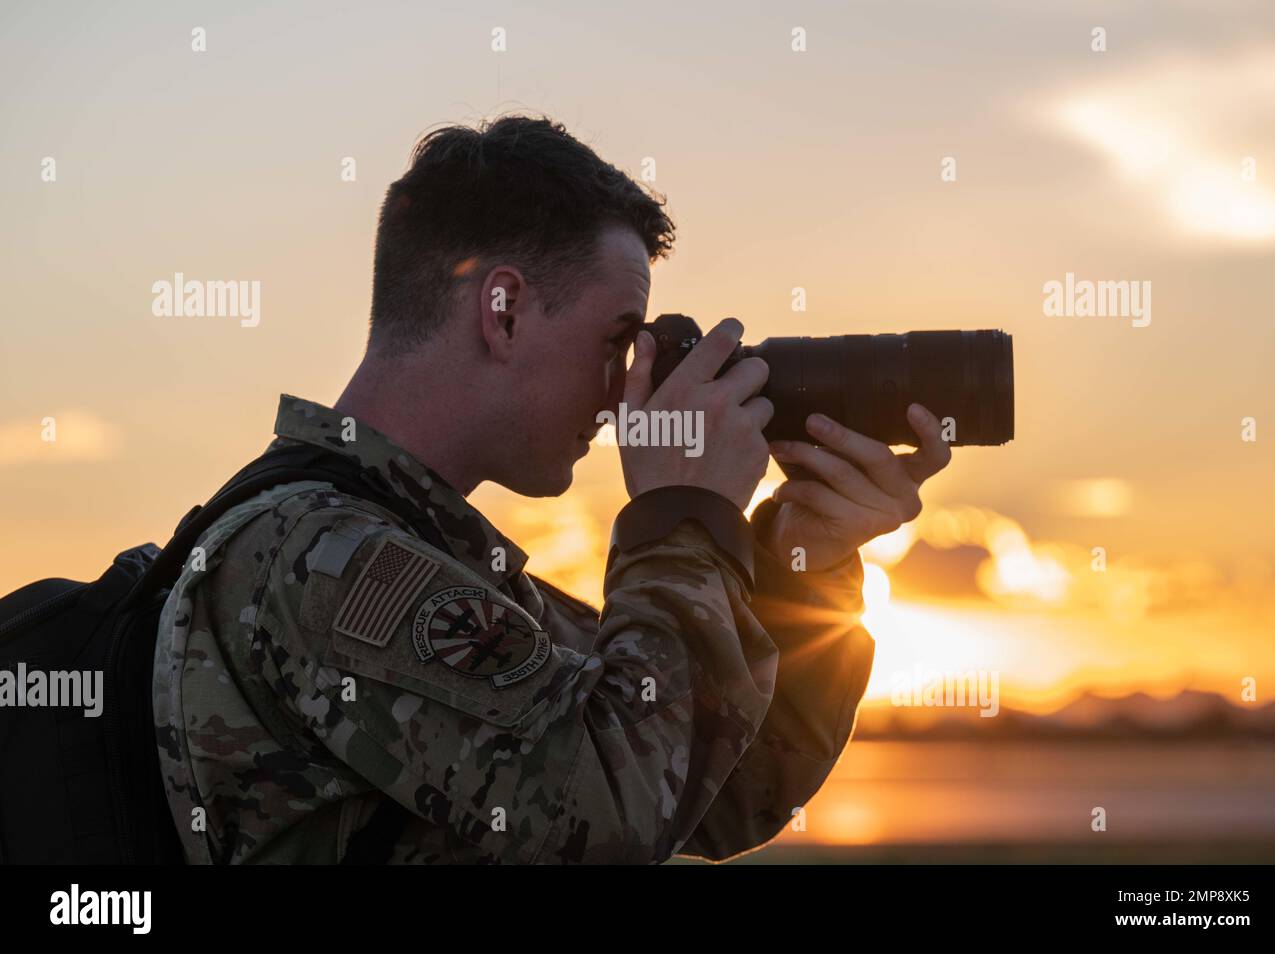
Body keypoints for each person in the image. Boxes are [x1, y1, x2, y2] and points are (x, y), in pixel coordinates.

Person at [151, 115, 953, 864]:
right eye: (618, 341)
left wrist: (794, 562)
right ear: (502, 313)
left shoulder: (420, 560)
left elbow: (714, 792)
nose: (626, 393)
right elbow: (610, 809)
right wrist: (684, 520)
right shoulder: (323, 560)